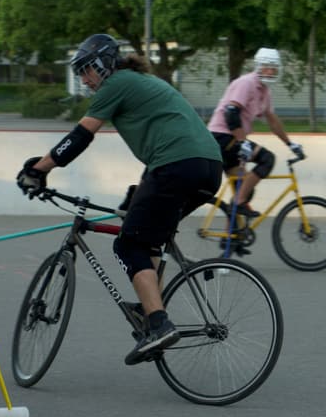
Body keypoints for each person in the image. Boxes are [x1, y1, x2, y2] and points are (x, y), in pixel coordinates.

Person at [16, 33, 223, 366]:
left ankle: (158, 323)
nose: (84, 79)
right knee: (148, 238)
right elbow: (164, 140)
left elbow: (81, 136)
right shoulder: (140, 82)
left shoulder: (117, 84)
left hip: (177, 167)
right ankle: (149, 307)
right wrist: (140, 192)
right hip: (207, 168)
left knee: (129, 246)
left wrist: (39, 170)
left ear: (104, 64)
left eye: (87, 70)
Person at [206, 48, 303, 217]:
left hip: (231, 139)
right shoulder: (246, 83)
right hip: (222, 137)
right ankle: (238, 203)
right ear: (258, 66)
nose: (270, 71)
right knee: (267, 159)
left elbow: (272, 121)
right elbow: (231, 114)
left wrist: (290, 144)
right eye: (266, 66)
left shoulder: (265, 91)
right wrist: (243, 142)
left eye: (274, 68)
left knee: (244, 189)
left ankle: (233, 237)